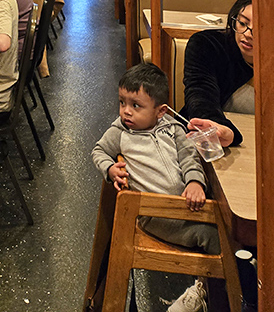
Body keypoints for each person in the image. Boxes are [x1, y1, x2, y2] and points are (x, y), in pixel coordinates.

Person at [92, 63, 219, 310]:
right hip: (155, 215)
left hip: (185, 204)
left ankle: (206, 288)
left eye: (135, 105)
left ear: (161, 111)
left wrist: (194, 181)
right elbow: (99, 150)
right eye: (122, 102)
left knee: (224, 222)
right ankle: (215, 296)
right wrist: (109, 168)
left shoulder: (174, 128)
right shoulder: (120, 131)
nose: (126, 112)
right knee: (213, 236)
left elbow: (189, 157)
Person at [181, 0, 274, 147]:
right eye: (242, 23)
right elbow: (200, 94)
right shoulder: (208, 45)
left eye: (261, 28)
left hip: (271, 144)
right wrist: (217, 126)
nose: (247, 34)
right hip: (209, 141)